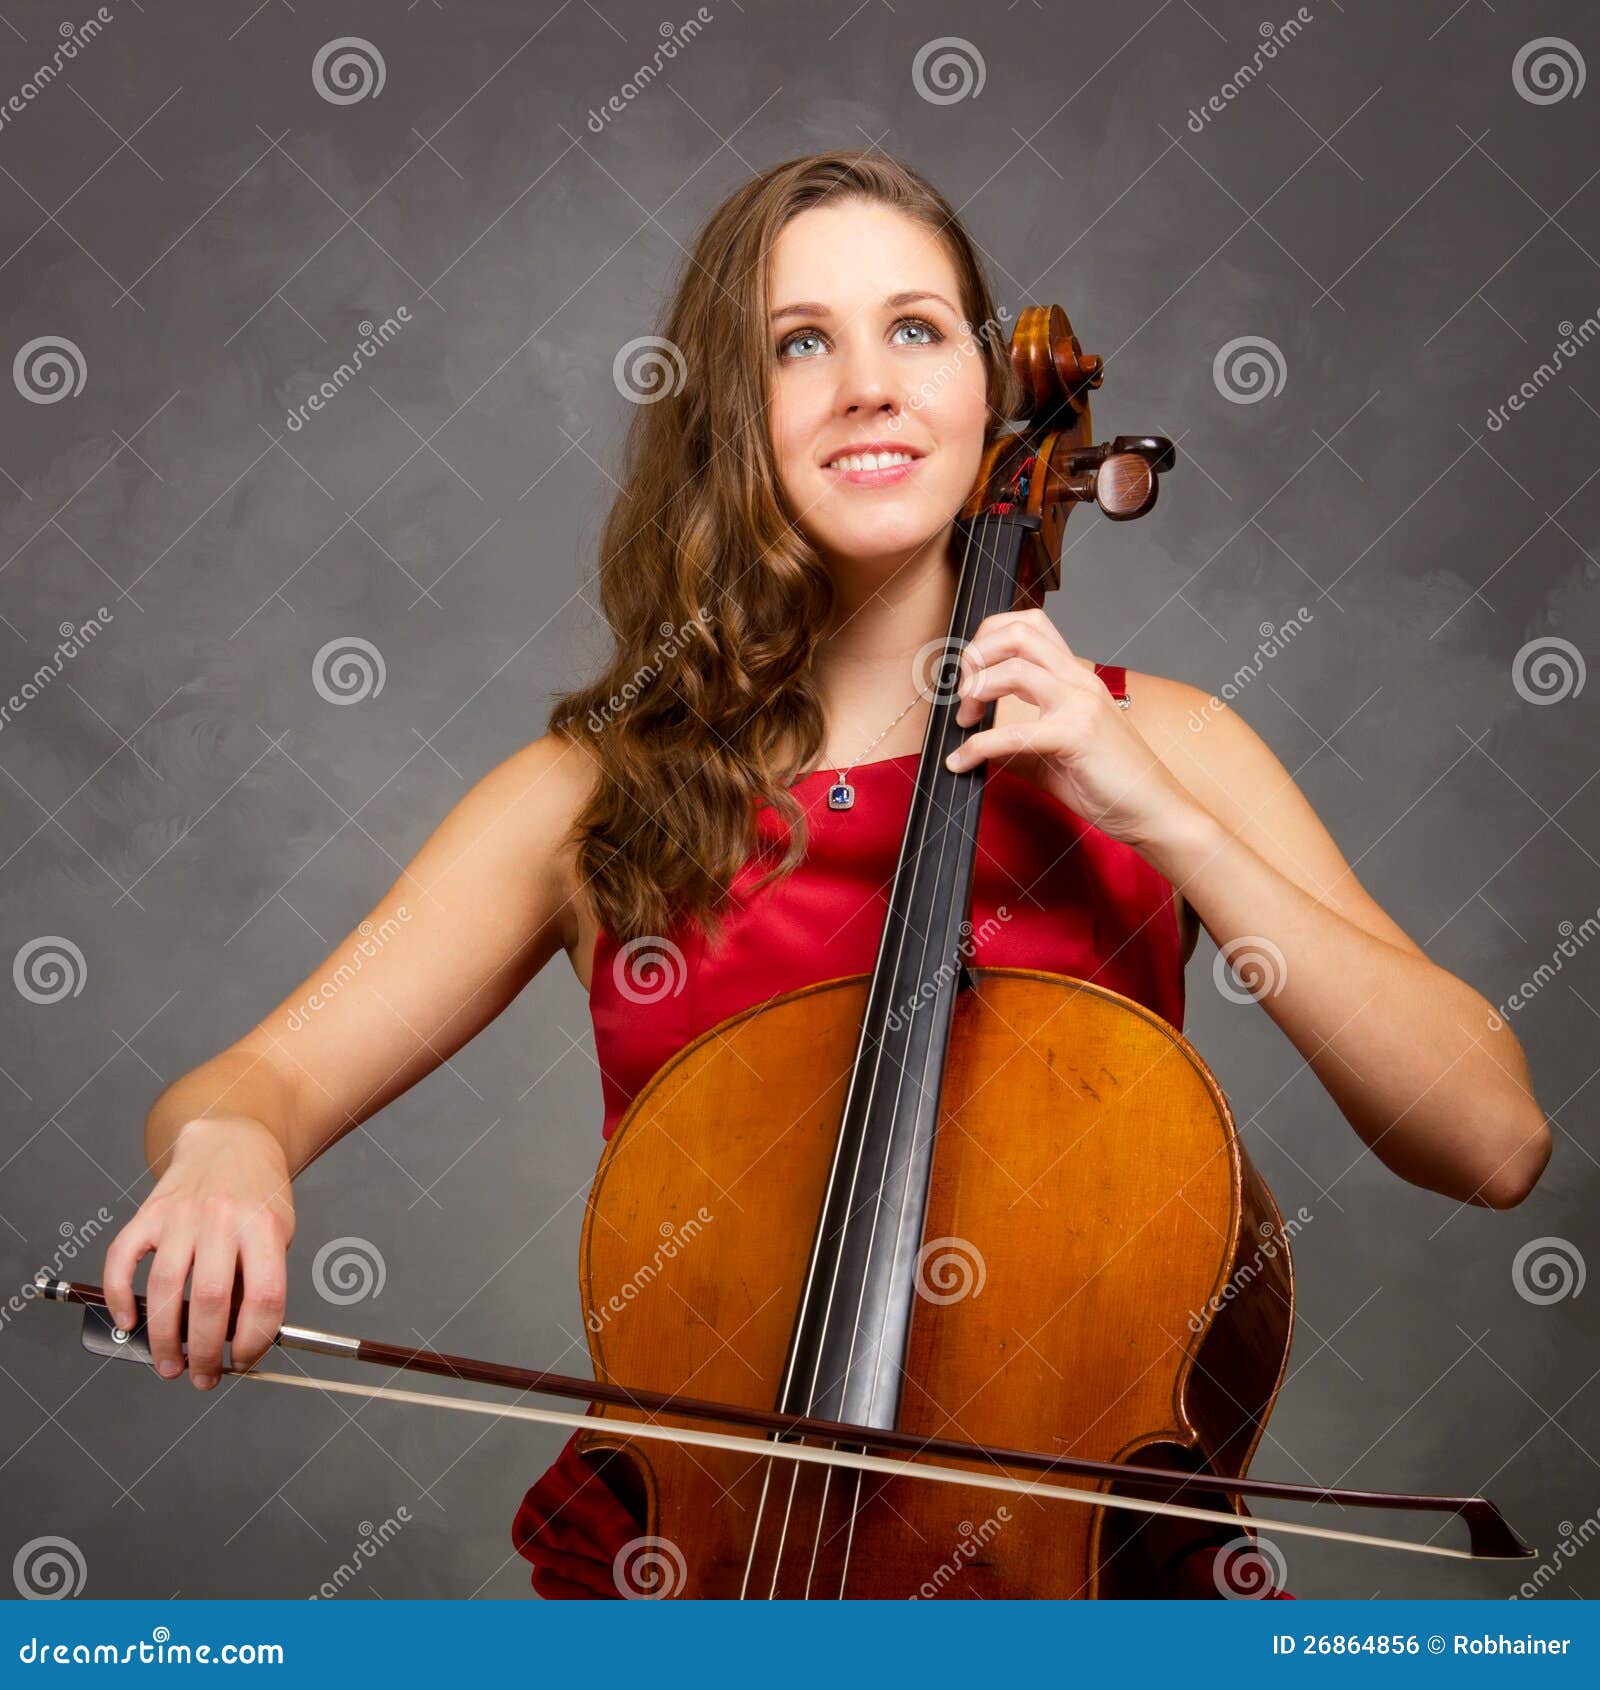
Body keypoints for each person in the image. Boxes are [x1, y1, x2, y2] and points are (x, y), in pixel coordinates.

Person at [102, 151, 1552, 1601]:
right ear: (738, 413)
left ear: (989, 396)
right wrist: (232, 1150)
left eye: (916, 329)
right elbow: (246, 1086)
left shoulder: (1164, 745)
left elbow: (1489, 1139)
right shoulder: (590, 798)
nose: (869, 383)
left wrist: (1157, 813)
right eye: (803, 342)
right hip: (704, 1576)